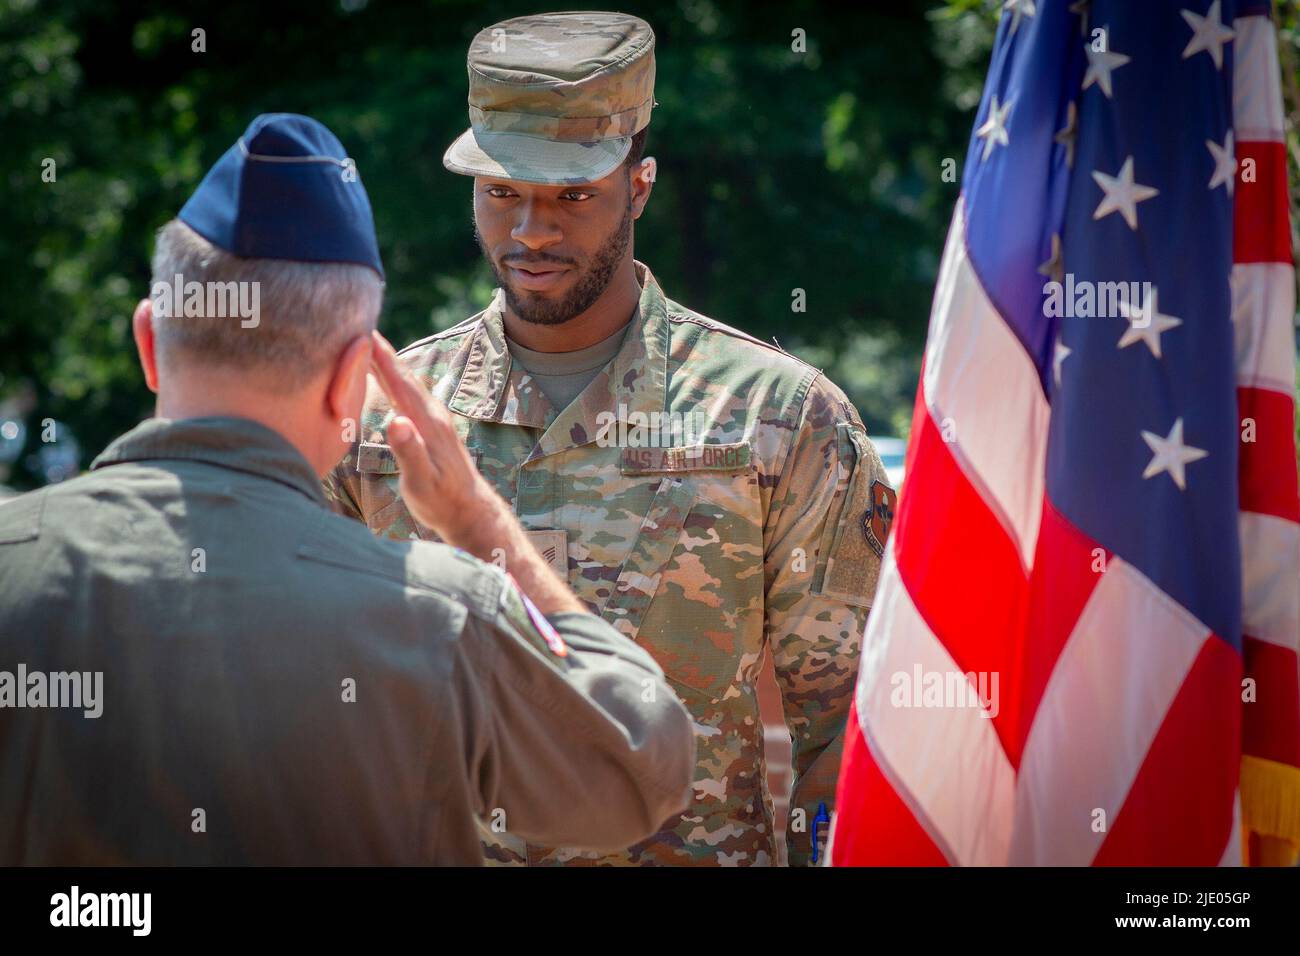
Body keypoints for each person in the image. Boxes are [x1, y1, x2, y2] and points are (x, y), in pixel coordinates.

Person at [0, 112, 694, 865]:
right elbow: (642, 767)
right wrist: (479, 524)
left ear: (148, 342)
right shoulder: (437, 615)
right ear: (350, 380)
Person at [325, 13, 896, 866]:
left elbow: (849, 737)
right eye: (502, 193)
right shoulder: (381, 420)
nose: (531, 233)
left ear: (640, 185)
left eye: (573, 195)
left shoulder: (780, 418)